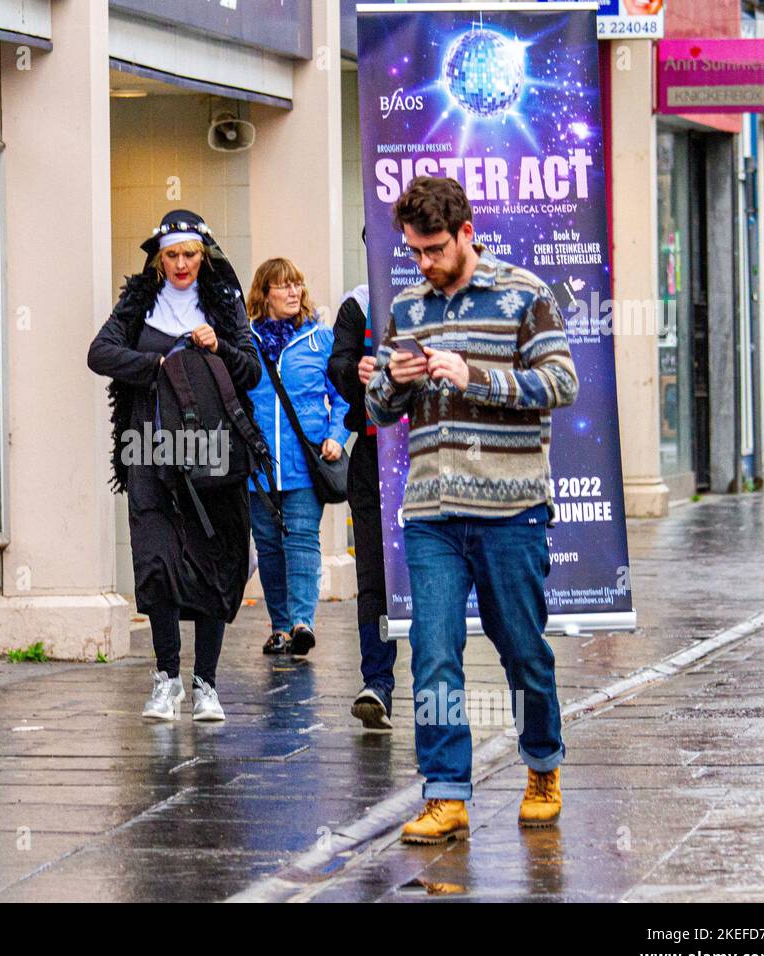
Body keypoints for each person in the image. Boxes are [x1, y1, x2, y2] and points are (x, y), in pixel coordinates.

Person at [365, 177, 579, 842]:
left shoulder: (524, 293)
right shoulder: (407, 305)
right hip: (431, 509)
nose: (422, 262)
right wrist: (387, 387)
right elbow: (380, 409)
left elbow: (561, 384)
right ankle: (445, 792)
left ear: (465, 233)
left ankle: (542, 762)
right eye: (413, 252)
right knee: (432, 650)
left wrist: (475, 376)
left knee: (522, 649)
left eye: (432, 249)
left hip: (512, 510)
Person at [88, 209, 260, 722]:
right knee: (156, 563)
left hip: (214, 450)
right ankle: (167, 678)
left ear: (203, 255)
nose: (182, 264)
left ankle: (206, 682)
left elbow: (250, 372)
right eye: (172, 255)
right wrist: (156, 366)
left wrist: (219, 345)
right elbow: (100, 353)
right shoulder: (139, 303)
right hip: (150, 450)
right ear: (158, 260)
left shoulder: (225, 302)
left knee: (213, 560)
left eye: (189, 254)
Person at [244, 258, 350, 658]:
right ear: (264, 293)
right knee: (269, 546)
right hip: (259, 467)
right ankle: (281, 627)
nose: (294, 293)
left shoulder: (320, 340)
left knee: (302, 539)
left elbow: (342, 398)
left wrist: (336, 436)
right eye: (284, 286)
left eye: (298, 285)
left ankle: (303, 621)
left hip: (306, 461)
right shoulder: (247, 340)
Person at [328, 231, 399, 728]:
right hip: (375, 453)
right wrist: (356, 368)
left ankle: (443, 686)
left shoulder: (454, 295)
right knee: (374, 575)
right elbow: (336, 365)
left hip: (439, 456)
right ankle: (377, 684)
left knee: (438, 573)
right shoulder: (359, 303)